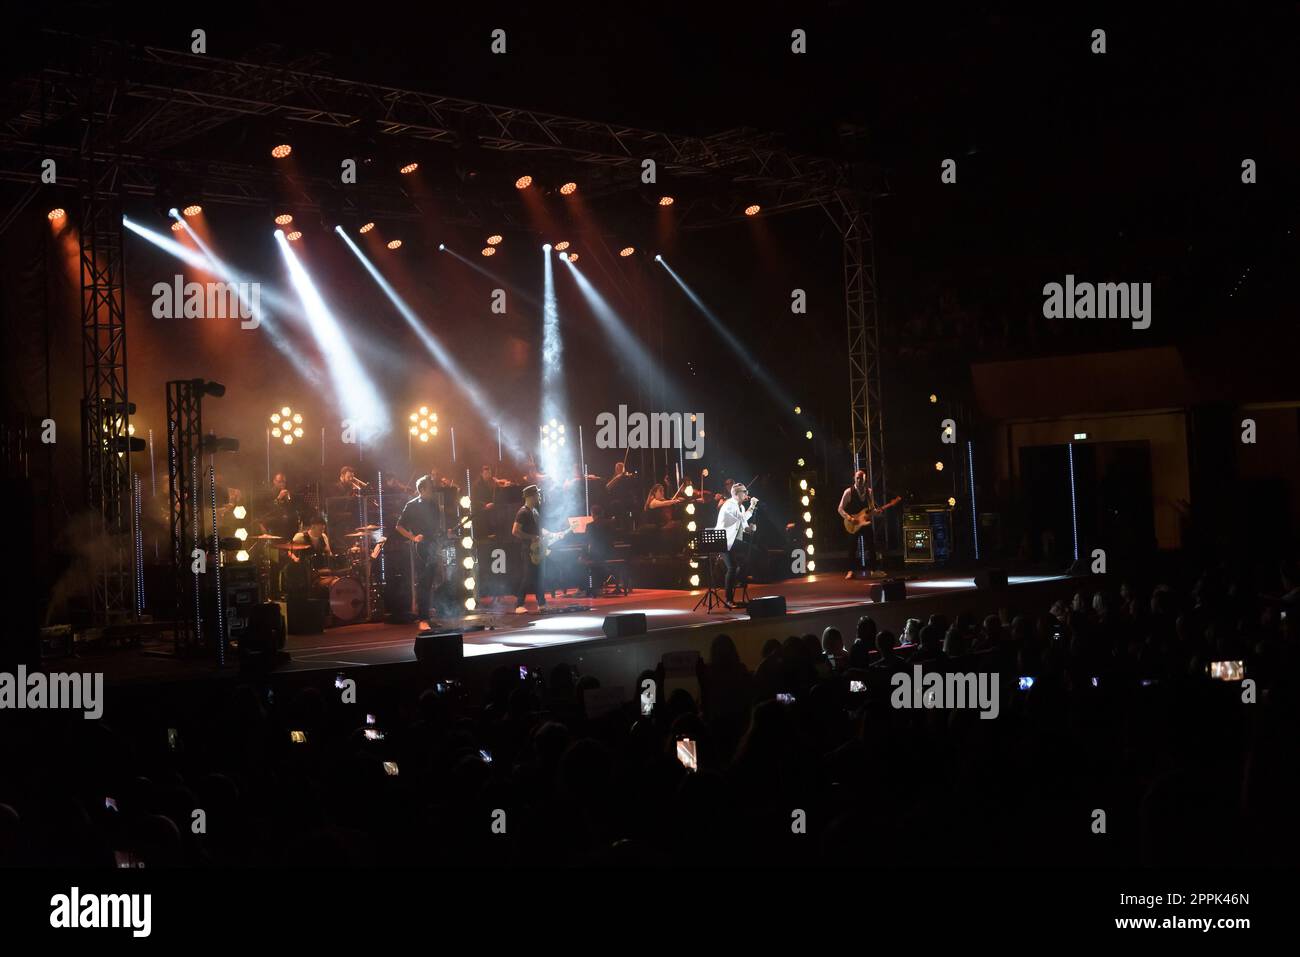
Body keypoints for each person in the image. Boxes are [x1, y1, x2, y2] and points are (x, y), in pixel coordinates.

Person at [395, 476, 444, 631]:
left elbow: (436, 527)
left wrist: (440, 539)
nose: (432, 490)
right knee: (423, 582)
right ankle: (423, 618)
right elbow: (399, 526)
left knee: (430, 582)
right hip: (421, 547)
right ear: (421, 489)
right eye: (430, 488)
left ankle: (428, 617)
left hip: (433, 545)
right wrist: (413, 538)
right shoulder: (411, 505)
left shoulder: (434, 505)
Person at [511, 484, 560, 614]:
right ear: (531, 496)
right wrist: (532, 537)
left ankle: (542, 603)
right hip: (529, 550)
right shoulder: (523, 512)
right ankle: (519, 604)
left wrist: (550, 533)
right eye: (537, 494)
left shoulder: (534, 511)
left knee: (540, 576)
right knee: (528, 577)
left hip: (538, 550)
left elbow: (539, 530)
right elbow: (515, 531)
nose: (539, 496)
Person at [714, 482, 758, 608]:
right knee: (752, 552)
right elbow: (742, 518)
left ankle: (732, 591)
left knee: (733, 568)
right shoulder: (730, 505)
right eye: (744, 491)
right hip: (723, 541)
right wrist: (753, 506)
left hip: (732, 541)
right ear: (736, 494)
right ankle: (734, 587)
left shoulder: (741, 507)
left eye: (746, 491)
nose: (747, 494)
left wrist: (751, 528)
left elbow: (744, 527)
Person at [837, 469, 879, 580]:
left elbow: (871, 509)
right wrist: (849, 518)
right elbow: (840, 509)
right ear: (854, 479)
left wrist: (876, 512)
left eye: (862, 478)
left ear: (865, 479)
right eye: (858, 478)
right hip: (853, 523)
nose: (860, 480)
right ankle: (850, 571)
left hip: (865, 523)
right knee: (852, 548)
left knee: (871, 545)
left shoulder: (869, 492)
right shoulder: (848, 492)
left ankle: (874, 570)